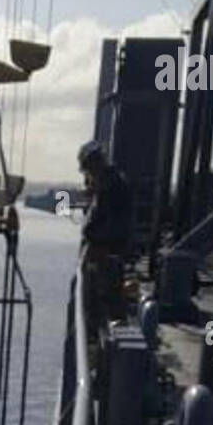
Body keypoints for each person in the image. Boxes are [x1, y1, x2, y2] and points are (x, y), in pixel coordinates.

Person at [77, 140, 133, 339]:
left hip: (108, 251)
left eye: (88, 171)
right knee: (105, 298)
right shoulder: (112, 184)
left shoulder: (111, 187)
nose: (88, 177)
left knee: (107, 298)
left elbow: (108, 223)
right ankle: (103, 336)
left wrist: (93, 238)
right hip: (108, 249)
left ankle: (105, 340)